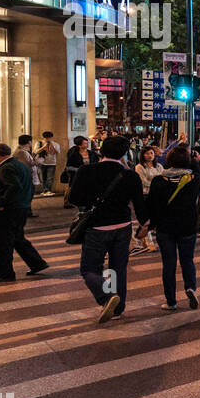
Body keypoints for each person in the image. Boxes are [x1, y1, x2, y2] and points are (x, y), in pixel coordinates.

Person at [68, 135, 147, 322]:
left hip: (97, 227)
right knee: (117, 267)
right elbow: (139, 204)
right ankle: (117, 308)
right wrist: (145, 224)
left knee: (89, 269)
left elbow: (74, 199)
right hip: (123, 226)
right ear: (124, 153)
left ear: (101, 151)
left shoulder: (86, 171)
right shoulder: (130, 175)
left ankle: (106, 297)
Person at [145, 146, 200, 311]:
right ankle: (190, 287)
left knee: (168, 264)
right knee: (187, 260)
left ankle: (171, 301)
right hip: (188, 226)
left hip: (165, 227)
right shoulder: (195, 179)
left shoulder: (158, 180)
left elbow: (152, 206)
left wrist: (149, 226)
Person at [0, 142, 48, 284]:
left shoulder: (7, 168)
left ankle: (4, 273)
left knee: (3, 242)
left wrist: (0, 203)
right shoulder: (20, 165)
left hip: (8, 211)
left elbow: (14, 187)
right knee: (17, 238)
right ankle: (37, 263)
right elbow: (28, 187)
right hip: (21, 208)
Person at [132, 146, 163, 255]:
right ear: (142, 155)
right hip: (145, 194)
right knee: (146, 218)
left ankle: (140, 236)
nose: (149, 155)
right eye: (147, 153)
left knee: (154, 217)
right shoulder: (139, 167)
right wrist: (157, 185)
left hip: (158, 195)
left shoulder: (159, 166)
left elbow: (163, 178)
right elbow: (143, 181)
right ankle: (149, 242)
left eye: (151, 153)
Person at [63, 135, 98, 207]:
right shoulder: (74, 154)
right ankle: (68, 202)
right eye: (85, 143)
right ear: (79, 145)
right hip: (77, 175)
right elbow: (68, 167)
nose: (87, 144)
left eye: (87, 143)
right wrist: (80, 170)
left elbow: (96, 162)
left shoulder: (92, 153)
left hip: (89, 175)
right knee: (73, 188)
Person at [35, 131, 60, 196]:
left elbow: (57, 152)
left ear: (52, 137)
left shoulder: (56, 144)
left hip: (52, 163)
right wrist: (43, 147)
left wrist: (52, 146)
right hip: (41, 163)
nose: (48, 139)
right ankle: (44, 190)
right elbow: (35, 151)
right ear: (43, 138)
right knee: (42, 178)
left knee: (50, 178)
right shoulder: (39, 143)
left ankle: (48, 190)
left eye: (49, 138)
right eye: (46, 138)